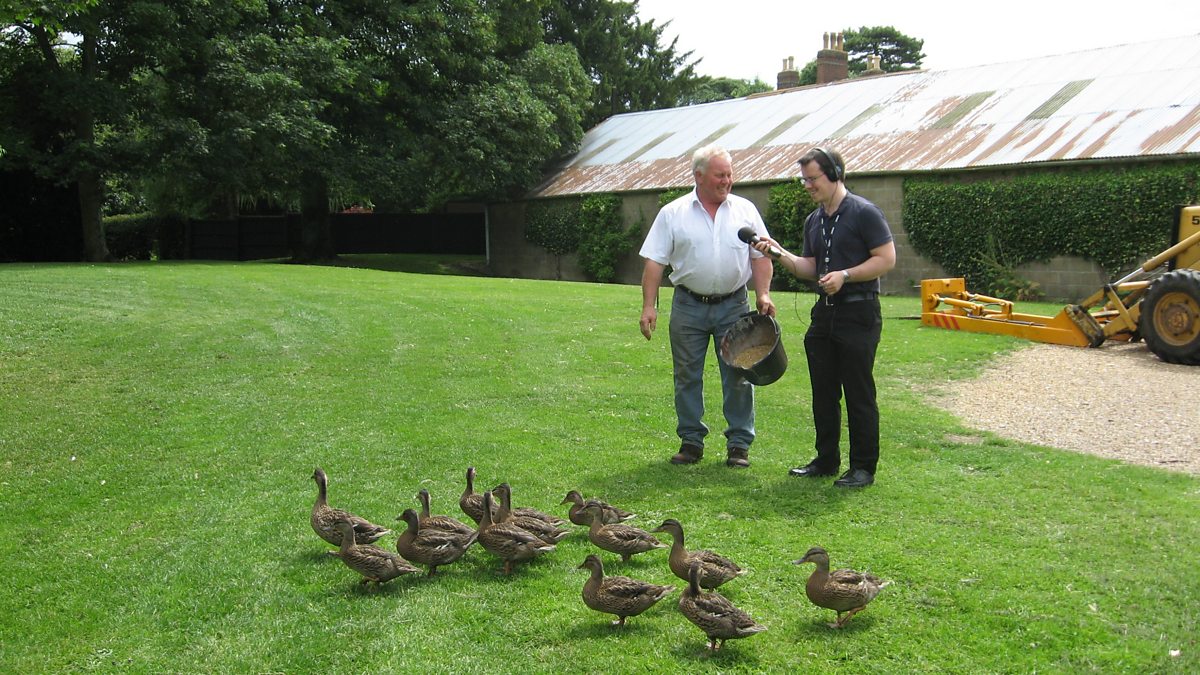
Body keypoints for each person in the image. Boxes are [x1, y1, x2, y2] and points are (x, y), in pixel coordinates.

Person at [751, 147, 895, 488]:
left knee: (858, 392)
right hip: (824, 315)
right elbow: (809, 267)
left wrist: (845, 275)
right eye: (804, 179)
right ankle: (826, 460)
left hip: (859, 312)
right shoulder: (814, 220)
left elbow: (886, 258)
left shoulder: (864, 212)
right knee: (823, 392)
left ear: (835, 174)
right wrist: (777, 253)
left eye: (812, 178)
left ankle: (863, 468)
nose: (807, 185)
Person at [639, 145, 776, 468]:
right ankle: (691, 441)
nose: (727, 180)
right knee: (686, 374)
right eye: (720, 175)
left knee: (739, 373)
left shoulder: (745, 211)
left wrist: (764, 294)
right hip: (688, 305)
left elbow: (760, 256)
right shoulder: (673, 214)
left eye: (729, 174)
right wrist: (649, 306)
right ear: (698, 176)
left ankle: (739, 444)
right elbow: (655, 263)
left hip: (734, 305)